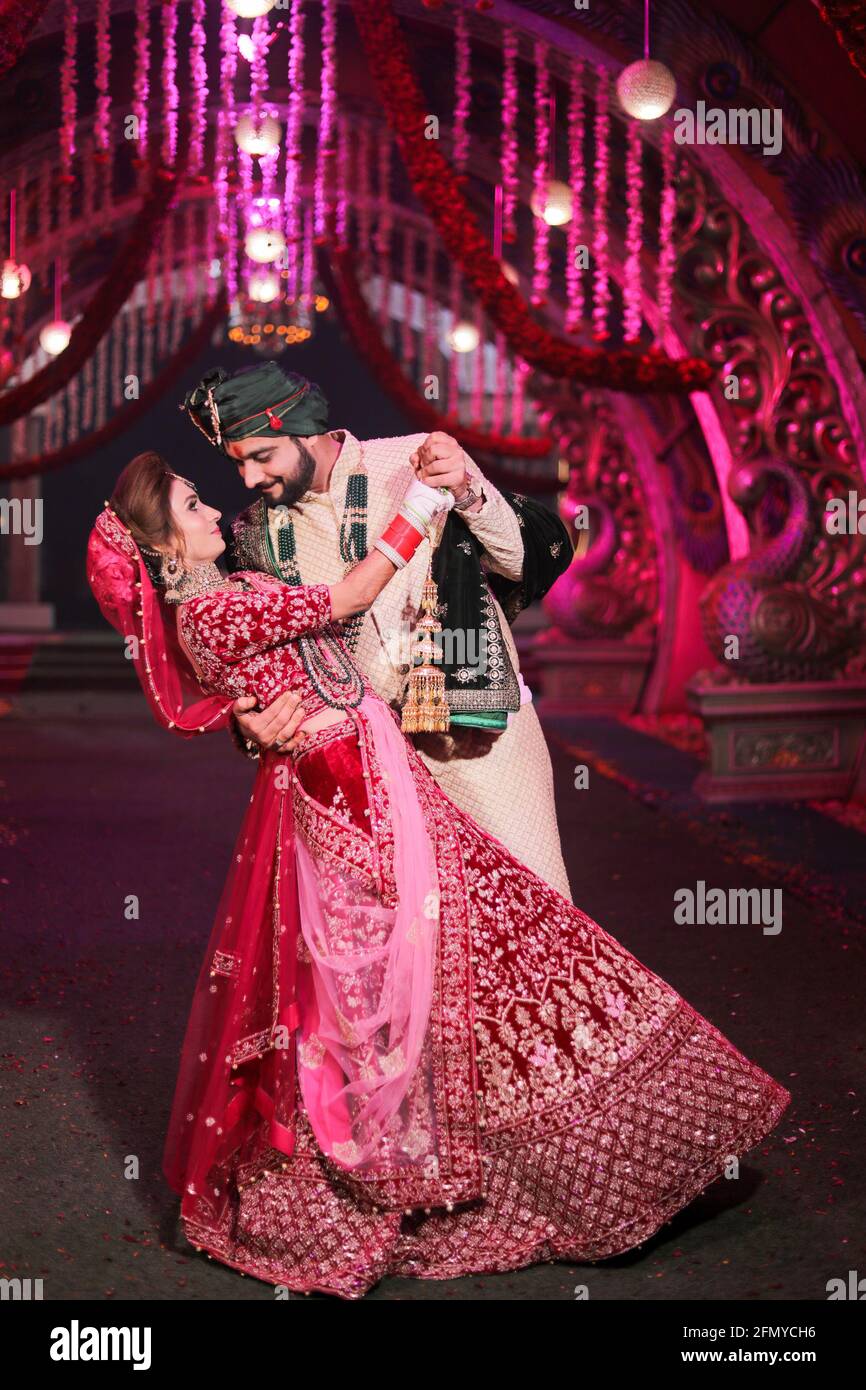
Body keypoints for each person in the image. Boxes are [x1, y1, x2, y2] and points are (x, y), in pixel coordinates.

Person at [86, 452, 791, 1301]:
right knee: (413, 971)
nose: (221, 500)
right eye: (195, 501)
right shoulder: (223, 595)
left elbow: (306, 653)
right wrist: (417, 506)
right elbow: (342, 601)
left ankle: (591, 1149)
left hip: (399, 757)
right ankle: (451, 1172)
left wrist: (435, 490)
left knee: (490, 934)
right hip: (348, 787)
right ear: (166, 551)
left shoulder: (259, 563)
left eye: (245, 459)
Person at [179, 362, 576, 902]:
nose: (249, 479)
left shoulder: (416, 460)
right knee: (419, 943)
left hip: (477, 736)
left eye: (262, 457)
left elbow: (518, 557)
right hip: (369, 764)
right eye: (239, 464)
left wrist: (466, 489)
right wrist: (249, 723)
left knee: (536, 910)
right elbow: (267, 657)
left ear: (304, 429)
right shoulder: (253, 534)